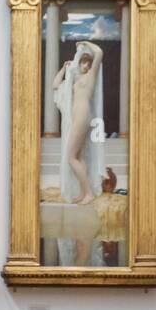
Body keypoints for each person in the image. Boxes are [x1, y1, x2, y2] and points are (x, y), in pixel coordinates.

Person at [52, 40, 104, 206]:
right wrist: (64, 68)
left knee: (71, 157)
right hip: (78, 117)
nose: (86, 66)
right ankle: (84, 193)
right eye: (83, 63)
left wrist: (85, 42)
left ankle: (88, 193)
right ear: (79, 64)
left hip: (82, 116)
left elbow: (99, 53)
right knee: (79, 157)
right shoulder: (74, 81)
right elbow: (55, 85)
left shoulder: (90, 77)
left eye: (88, 64)